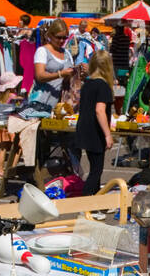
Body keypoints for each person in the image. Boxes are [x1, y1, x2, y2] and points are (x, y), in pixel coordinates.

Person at [76, 50, 115, 196]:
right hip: (95, 132)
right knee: (96, 171)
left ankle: (96, 200)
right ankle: (85, 203)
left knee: (94, 168)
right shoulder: (102, 85)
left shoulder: (88, 83)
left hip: (85, 128)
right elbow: (100, 110)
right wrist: (108, 134)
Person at [32, 18, 74, 112]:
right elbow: (39, 76)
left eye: (65, 37)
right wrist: (60, 74)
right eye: (59, 37)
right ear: (51, 35)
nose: (62, 40)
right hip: (42, 103)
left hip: (61, 105)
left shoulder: (67, 53)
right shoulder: (42, 51)